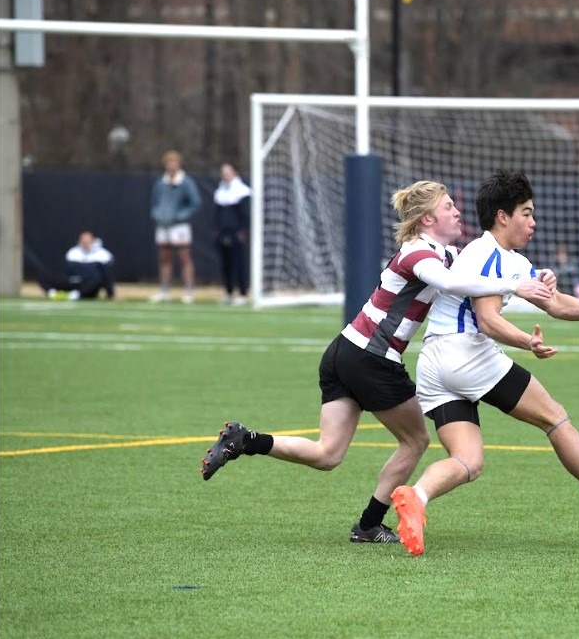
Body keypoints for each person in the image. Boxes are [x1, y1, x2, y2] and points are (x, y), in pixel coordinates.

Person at [198, 180, 553, 544]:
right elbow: (449, 284)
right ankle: (369, 525)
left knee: (328, 454)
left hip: (344, 350)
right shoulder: (418, 253)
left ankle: (246, 440)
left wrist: (533, 277)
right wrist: (513, 288)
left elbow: (484, 270)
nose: (457, 211)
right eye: (448, 207)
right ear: (428, 218)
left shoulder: (445, 254)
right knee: (415, 440)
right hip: (372, 357)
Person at [388, 169, 579, 557]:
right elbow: (489, 319)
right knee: (555, 418)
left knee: (468, 461)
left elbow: (552, 301)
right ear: (502, 216)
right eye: (526, 212)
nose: (534, 221)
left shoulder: (504, 258)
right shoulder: (486, 255)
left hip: (433, 365)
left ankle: (417, 496)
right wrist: (528, 342)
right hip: (466, 355)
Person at [151, 149, 201, 303]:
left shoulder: (186, 182)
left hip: (179, 226)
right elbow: (155, 202)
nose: (171, 166)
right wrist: (157, 214)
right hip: (163, 225)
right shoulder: (161, 183)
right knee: (164, 258)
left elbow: (195, 203)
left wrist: (180, 216)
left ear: (179, 164)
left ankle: (188, 290)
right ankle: (164, 290)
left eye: (174, 162)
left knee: (184, 257)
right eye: (168, 163)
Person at [213, 162, 252, 305]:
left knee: (239, 263)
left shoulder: (242, 191)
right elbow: (217, 213)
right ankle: (229, 292)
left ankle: (243, 292)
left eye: (228, 172)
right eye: (223, 172)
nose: (225, 175)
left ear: (234, 173)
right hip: (223, 233)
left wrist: (242, 231)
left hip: (236, 233)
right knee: (226, 264)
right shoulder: (220, 191)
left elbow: (245, 214)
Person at [42, 230, 116, 300]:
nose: (85, 241)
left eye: (88, 239)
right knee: (44, 275)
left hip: (90, 285)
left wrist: (110, 293)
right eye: (83, 239)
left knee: (97, 277)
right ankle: (53, 294)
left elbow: (106, 276)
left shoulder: (103, 254)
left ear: (93, 240)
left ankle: (76, 295)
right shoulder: (73, 252)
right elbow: (68, 271)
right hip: (74, 281)